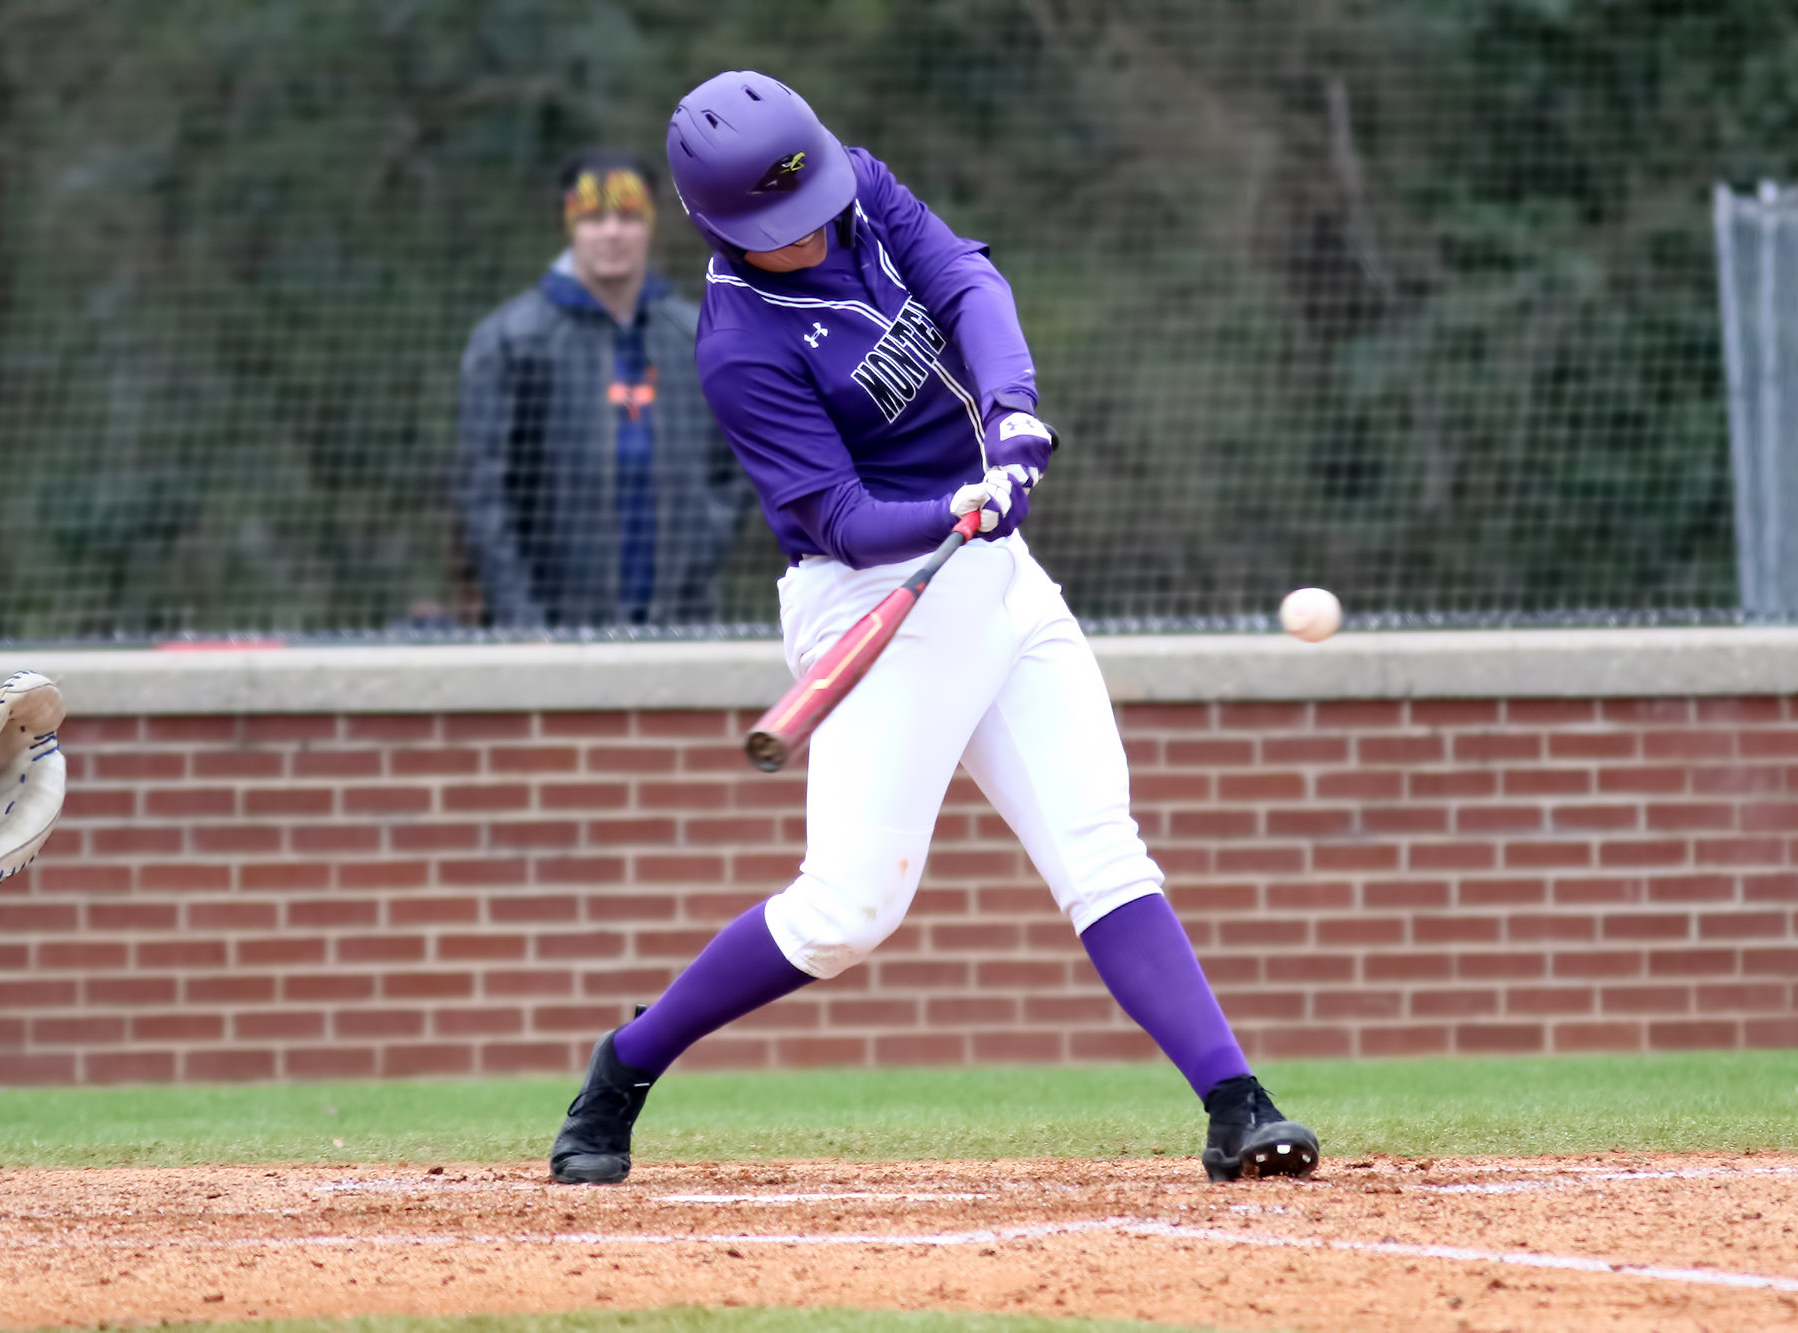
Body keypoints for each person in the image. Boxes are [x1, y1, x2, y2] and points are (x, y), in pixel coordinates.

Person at [549, 73, 1319, 1185]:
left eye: (810, 201)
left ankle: (1234, 1102)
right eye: (780, 226)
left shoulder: (852, 184)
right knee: (845, 912)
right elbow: (842, 519)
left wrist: (1010, 411)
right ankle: (624, 1063)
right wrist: (949, 508)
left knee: (1098, 844)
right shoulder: (737, 348)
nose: (809, 232)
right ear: (718, 224)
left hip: (996, 576)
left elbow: (964, 277)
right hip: (874, 599)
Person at [457, 149, 750, 629]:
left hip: (681, 624)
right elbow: (483, 491)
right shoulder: (512, 341)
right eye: (593, 217)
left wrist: (703, 542)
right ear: (568, 226)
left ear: (652, 224)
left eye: (629, 216)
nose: (612, 232)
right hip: (551, 630)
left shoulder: (700, 337)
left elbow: (738, 468)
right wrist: (521, 619)